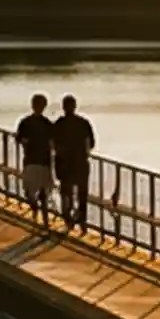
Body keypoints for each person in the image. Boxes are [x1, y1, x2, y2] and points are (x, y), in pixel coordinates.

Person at [53, 94, 95, 229]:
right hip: (80, 163)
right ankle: (82, 221)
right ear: (75, 106)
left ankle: (68, 216)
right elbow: (91, 143)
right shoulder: (83, 123)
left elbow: (53, 143)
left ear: (63, 107)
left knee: (66, 191)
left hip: (64, 163)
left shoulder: (58, 124)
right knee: (82, 194)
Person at [15, 93, 54, 224]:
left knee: (30, 191)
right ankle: (44, 218)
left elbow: (19, 140)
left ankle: (39, 213)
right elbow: (52, 143)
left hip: (31, 161)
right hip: (43, 162)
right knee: (42, 192)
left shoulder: (25, 122)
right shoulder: (48, 124)